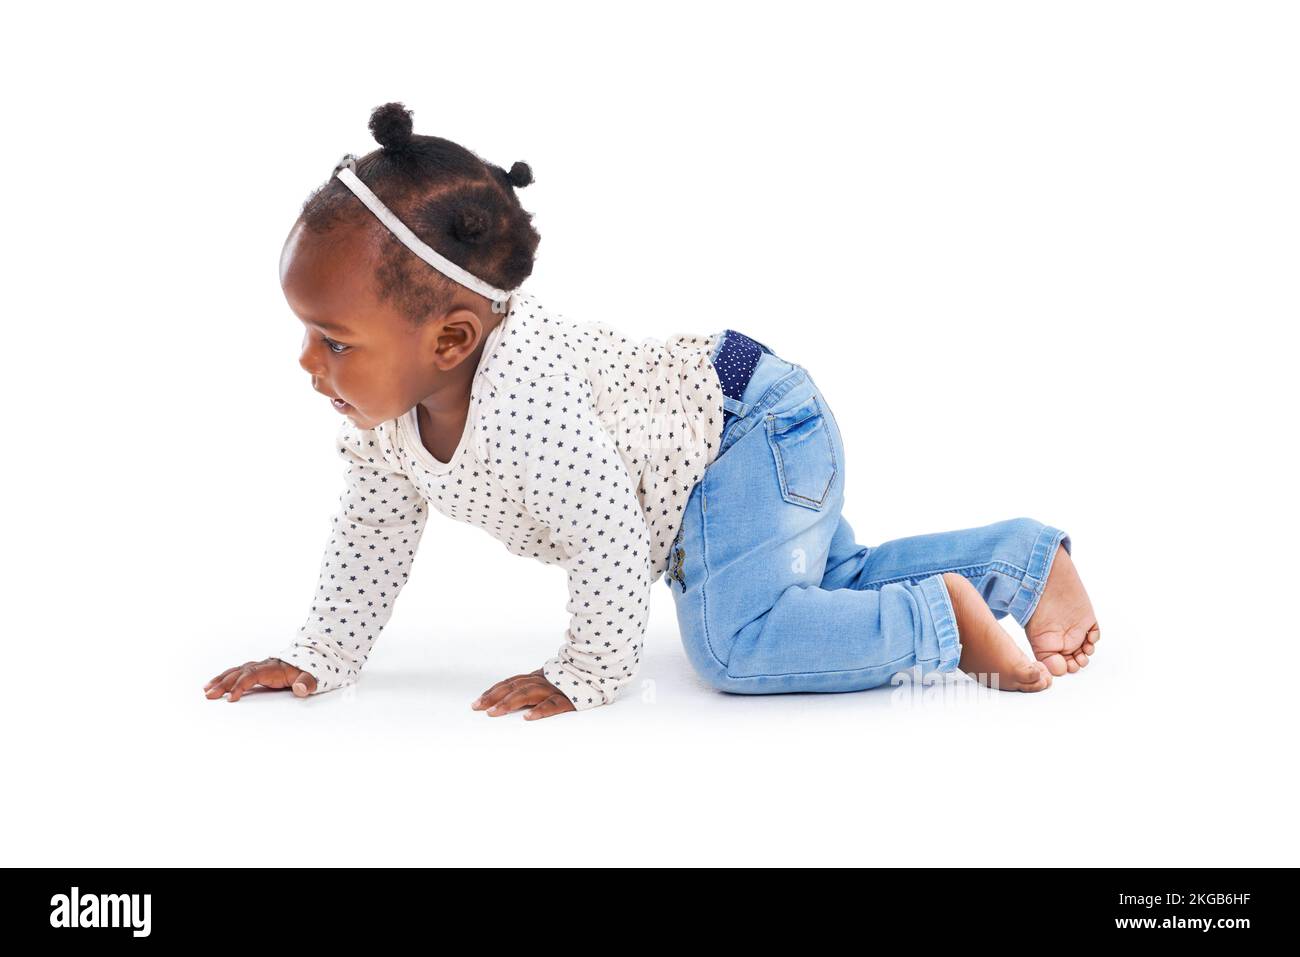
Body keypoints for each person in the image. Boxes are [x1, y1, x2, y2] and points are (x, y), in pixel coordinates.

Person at [204, 102, 1101, 719]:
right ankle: (1018, 562)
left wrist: (587, 671)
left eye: (335, 340)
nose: (309, 361)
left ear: (451, 339)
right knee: (819, 589)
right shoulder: (384, 425)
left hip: (747, 430)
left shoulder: (524, 401)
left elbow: (607, 538)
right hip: (740, 426)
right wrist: (321, 653)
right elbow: (371, 532)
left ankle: (941, 626)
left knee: (735, 641)